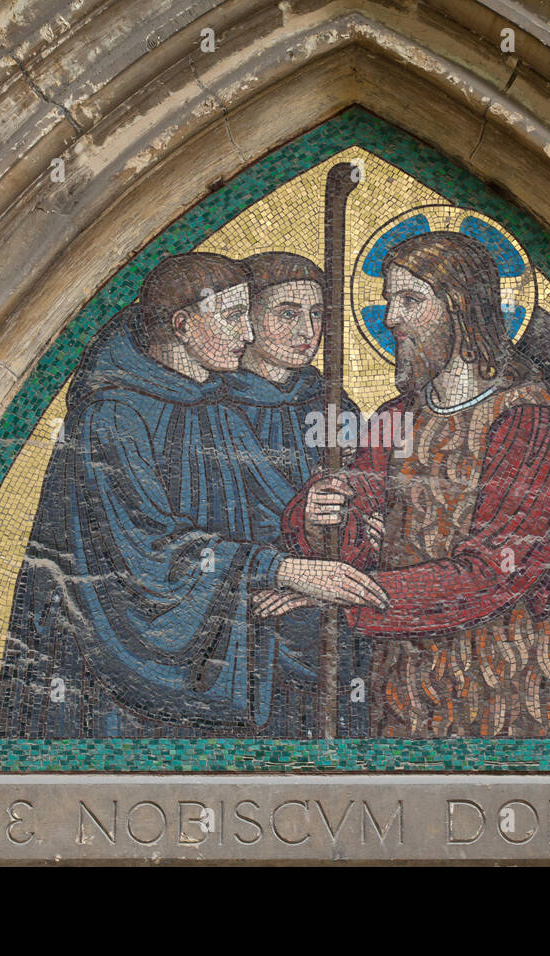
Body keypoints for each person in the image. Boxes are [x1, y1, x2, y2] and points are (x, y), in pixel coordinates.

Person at [0, 251, 386, 738]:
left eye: (316, 315)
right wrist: (283, 570)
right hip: (120, 673)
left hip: (234, 651)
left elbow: (247, 523)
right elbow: (143, 557)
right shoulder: (112, 416)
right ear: (182, 324)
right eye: (236, 317)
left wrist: (322, 536)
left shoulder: (210, 404)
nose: (247, 336)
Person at [281, 231, 550, 738]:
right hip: (406, 688)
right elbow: (354, 532)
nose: (391, 320)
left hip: (508, 685)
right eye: (388, 301)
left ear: (461, 307)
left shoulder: (529, 421)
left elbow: (496, 570)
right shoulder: (395, 417)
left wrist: (354, 596)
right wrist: (323, 511)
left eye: (410, 300)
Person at [219, 251, 371, 736]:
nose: (307, 331)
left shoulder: (333, 406)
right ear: (247, 319)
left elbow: (374, 517)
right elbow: (195, 530)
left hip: (330, 631)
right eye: (287, 313)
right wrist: (282, 575)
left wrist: (321, 577)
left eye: (317, 315)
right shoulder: (208, 404)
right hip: (242, 635)